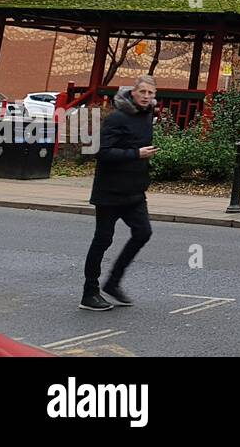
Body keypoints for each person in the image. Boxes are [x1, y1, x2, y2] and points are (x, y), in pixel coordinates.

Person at [80, 77, 158, 310]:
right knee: (103, 240)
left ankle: (113, 282)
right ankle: (89, 293)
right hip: (110, 191)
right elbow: (101, 152)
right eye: (142, 91)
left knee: (143, 233)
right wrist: (136, 154)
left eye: (150, 93)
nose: (146, 96)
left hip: (134, 191)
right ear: (132, 92)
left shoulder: (146, 116)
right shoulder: (117, 117)